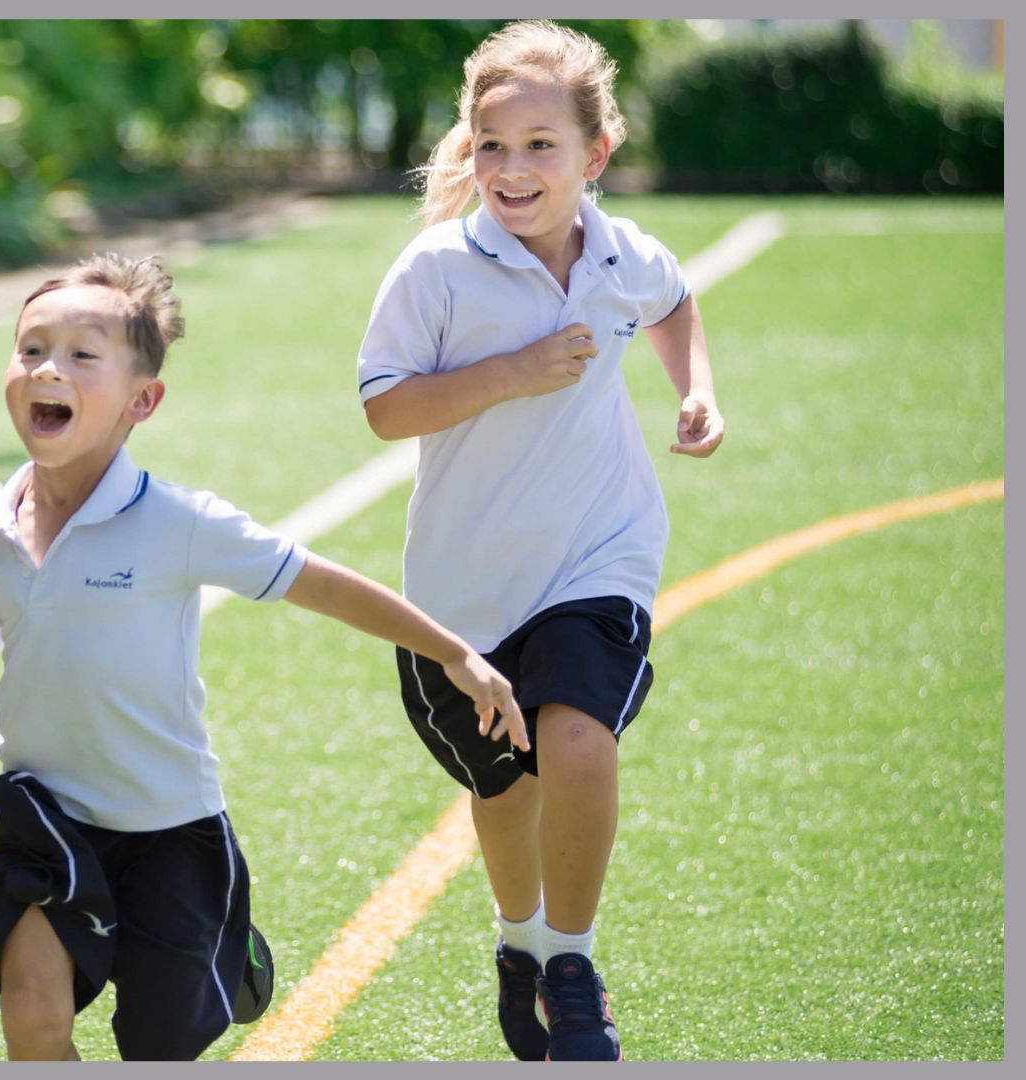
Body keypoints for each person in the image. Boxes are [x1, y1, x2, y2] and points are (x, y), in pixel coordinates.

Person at [0, 253, 525, 1060]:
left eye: (81, 356)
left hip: (170, 833)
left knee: (156, 1048)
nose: (47, 370)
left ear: (143, 400)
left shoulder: (177, 522)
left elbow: (324, 587)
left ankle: (224, 940)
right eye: (31, 349)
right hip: (47, 822)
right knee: (32, 1017)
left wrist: (454, 654)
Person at [355, 20, 725, 1061]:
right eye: (492, 147)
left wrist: (696, 390)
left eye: (540, 145)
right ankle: (519, 944)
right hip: (461, 595)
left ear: (594, 155)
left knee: (575, 743)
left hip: (598, 557)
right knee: (502, 789)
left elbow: (676, 297)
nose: (513, 170)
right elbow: (386, 410)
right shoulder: (435, 268)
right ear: (469, 153)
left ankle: (571, 957)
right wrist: (512, 372)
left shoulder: (618, 249)